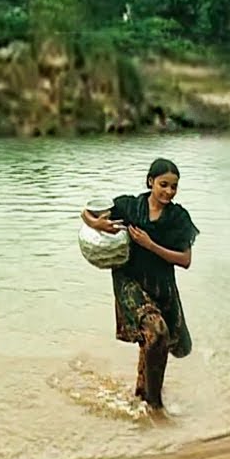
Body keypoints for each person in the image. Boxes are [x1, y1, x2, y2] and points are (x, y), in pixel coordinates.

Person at [80, 158, 198, 412]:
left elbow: (185, 260)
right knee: (157, 331)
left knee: (156, 341)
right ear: (150, 182)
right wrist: (96, 224)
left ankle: (142, 393)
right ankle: (155, 404)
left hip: (161, 285)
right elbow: (87, 212)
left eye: (173, 187)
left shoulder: (178, 218)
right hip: (129, 281)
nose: (168, 191)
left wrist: (150, 245)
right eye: (163, 184)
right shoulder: (130, 207)